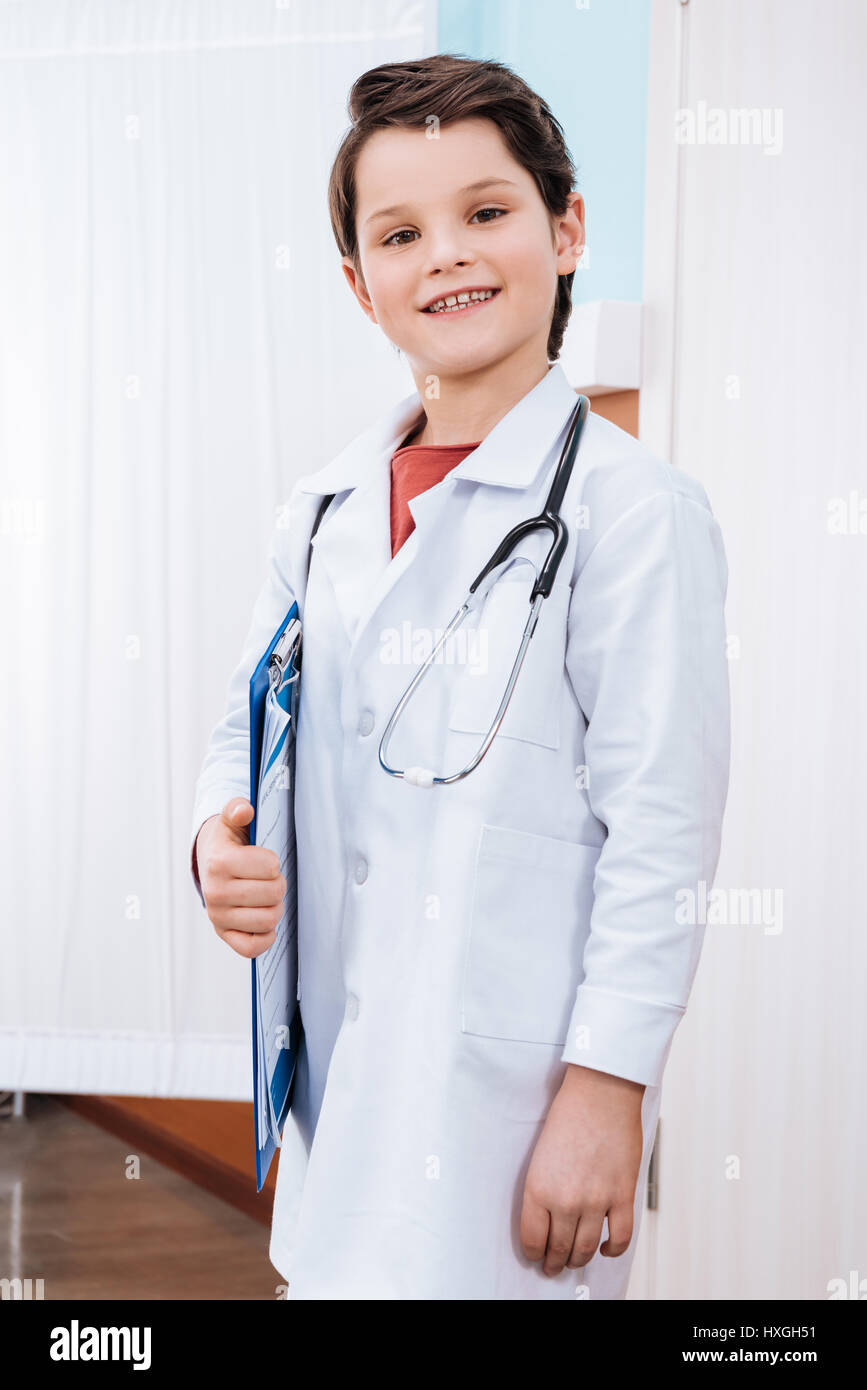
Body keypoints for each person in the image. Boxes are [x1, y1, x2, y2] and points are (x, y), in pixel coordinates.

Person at [189, 53, 730, 1300]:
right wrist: (215, 847)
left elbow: (663, 831)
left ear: (567, 227)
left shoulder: (634, 514)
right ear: (358, 284)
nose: (447, 254)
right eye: (400, 232)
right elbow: (243, 727)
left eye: (486, 212)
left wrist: (607, 1086)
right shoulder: (319, 511)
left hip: (512, 1119)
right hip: (340, 1123)